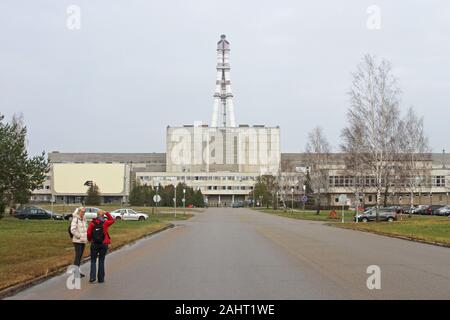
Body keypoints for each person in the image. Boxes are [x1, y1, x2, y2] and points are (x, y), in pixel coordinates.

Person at [87, 209, 115, 283]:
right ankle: (101, 278)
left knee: (93, 260)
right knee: (101, 261)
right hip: (104, 243)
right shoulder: (105, 223)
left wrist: (90, 240)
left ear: (97, 215)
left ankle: (92, 277)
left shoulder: (92, 223)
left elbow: (89, 233)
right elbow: (112, 220)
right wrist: (107, 213)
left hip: (94, 243)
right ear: (103, 215)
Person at [70, 207, 88, 277]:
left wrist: (86, 237)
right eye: (82, 212)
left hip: (83, 240)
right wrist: (79, 236)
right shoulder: (75, 219)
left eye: (84, 212)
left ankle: (78, 271)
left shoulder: (84, 219)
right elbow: (73, 230)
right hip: (77, 241)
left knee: (80, 256)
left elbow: (86, 228)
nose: (83, 213)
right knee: (78, 256)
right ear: (79, 212)